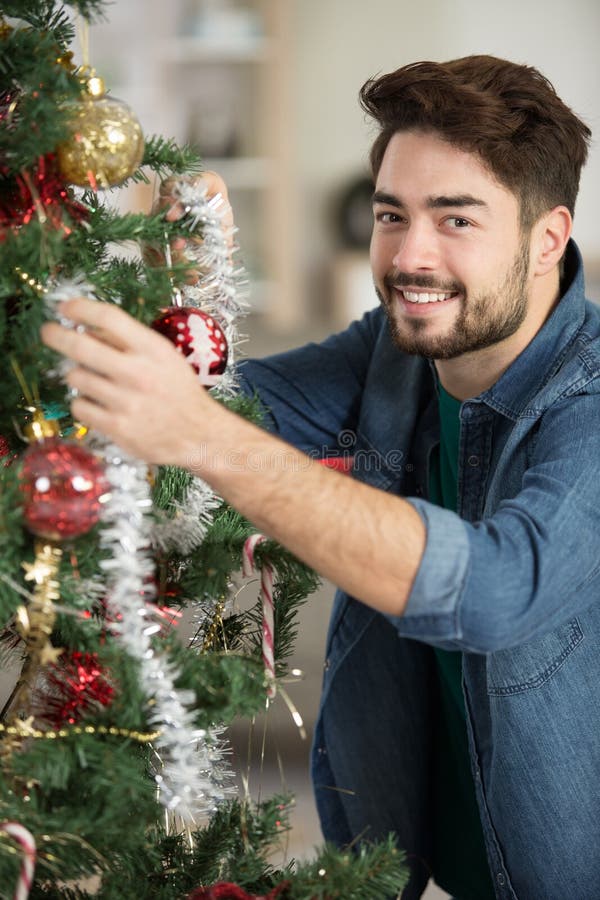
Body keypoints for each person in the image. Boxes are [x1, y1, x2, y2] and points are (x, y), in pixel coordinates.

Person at [41, 55, 600, 899]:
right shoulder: (394, 352)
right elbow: (222, 407)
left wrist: (205, 434)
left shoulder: (589, 401)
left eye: (455, 221)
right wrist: (181, 297)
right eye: (391, 215)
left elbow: (493, 588)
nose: (411, 257)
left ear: (548, 236)